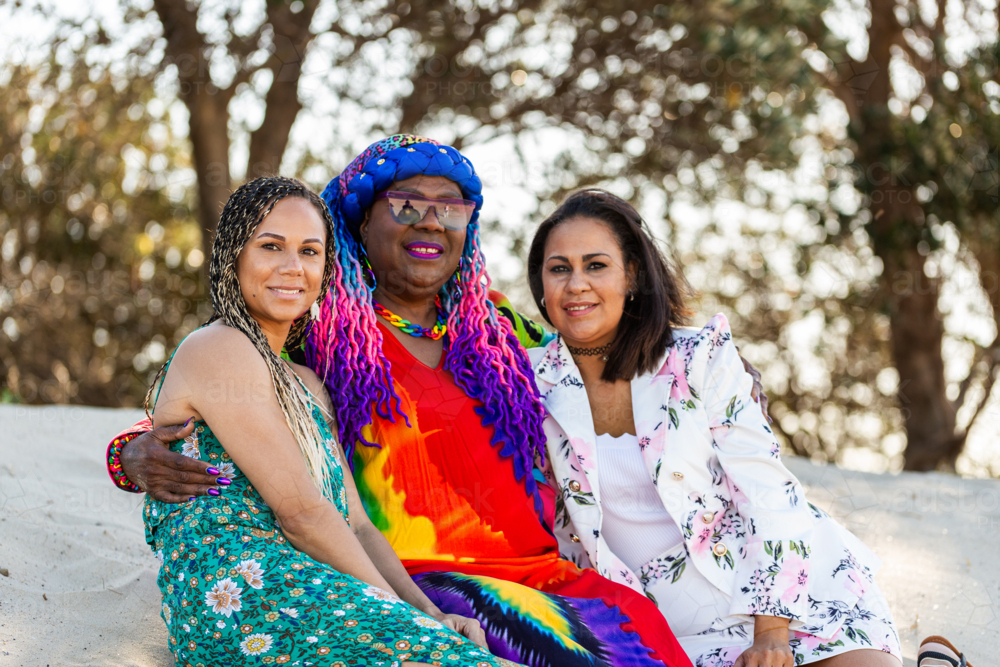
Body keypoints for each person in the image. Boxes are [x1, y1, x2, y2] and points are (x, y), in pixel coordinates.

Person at [108, 137, 693, 667]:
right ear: (360, 225)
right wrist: (129, 453)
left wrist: (705, 368)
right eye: (408, 204)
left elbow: (613, 369)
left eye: (452, 208)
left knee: (641, 632)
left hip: (545, 569)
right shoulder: (322, 335)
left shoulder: (505, 330)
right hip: (422, 575)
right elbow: (220, 409)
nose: (432, 222)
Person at [143, 176, 513, 667]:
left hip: (310, 579)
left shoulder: (307, 381)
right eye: (270, 246)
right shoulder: (218, 347)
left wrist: (428, 613)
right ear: (234, 254)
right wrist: (412, 621)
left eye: (310, 251)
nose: (292, 268)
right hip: (245, 599)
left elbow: (355, 524)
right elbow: (302, 516)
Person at [525, 189, 903, 667]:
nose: (576, 283)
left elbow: (767, 488)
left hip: (795, 600)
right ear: (541, 284)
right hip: (664, 631)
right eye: (560, 268)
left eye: (596, 265)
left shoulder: (699, 357)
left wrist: (771, 632)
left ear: (633, 276)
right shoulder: (526, 384)